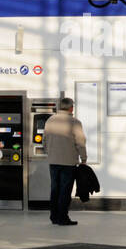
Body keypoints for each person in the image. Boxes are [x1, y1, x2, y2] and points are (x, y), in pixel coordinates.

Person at [43, 96, 87, 226]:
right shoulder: (75, 122)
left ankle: (54, 217)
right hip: (68, 162)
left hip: (53, 161)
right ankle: (63, 218)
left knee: (54, 189)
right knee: (65, 191)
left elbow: (44, 140)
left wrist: (49, 153)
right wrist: (83, 158)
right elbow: (81, 142)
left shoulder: (50, 120)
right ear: (71, 107)